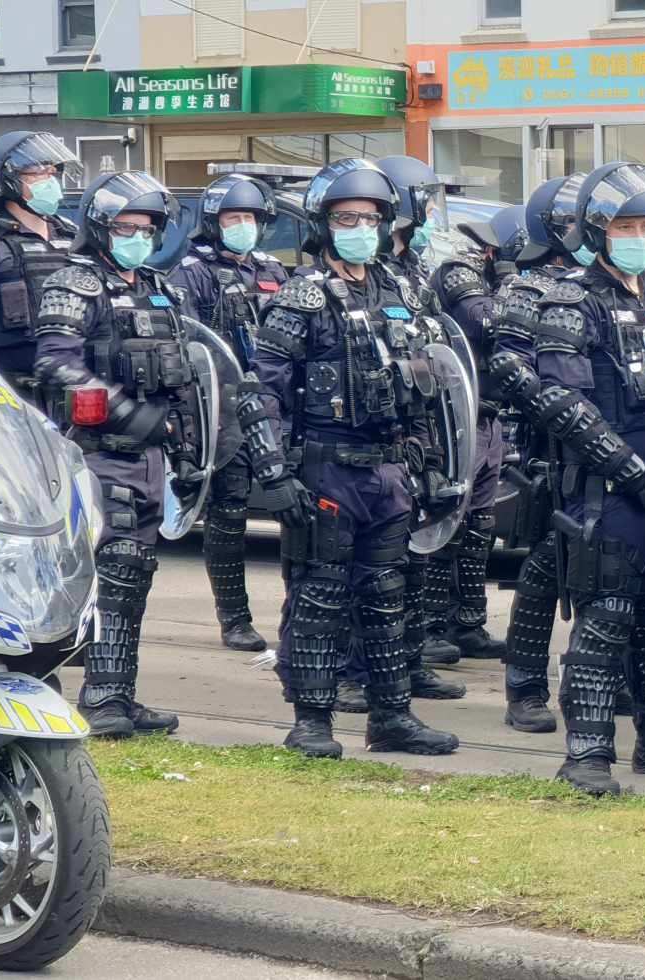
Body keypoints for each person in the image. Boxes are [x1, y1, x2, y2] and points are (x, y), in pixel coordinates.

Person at [488, 161, 645, 794]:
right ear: (598, 230)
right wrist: (628, 471)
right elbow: (560, 402)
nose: (639, 236)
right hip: (609, 494)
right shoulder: (570, 299)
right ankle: (589, 753)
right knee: (605, 620)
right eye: (626, 225)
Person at [254, 158, 463, 758]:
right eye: (346, 217)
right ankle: (312, 722)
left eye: (368, 218)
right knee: (320, 597)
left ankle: (392, 715)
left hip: (388, 473)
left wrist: (433, 469)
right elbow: (262, 389)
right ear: (324, 224)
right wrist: (275, 473)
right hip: (327, 468)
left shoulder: (402, 292)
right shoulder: (302, 296)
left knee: (387, 596)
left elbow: (434, 387)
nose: (358, 227)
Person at [32, 170, 203, 738]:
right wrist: (128, 412)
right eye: (126, 226)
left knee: (135, 577)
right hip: (97, 453)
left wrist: (188, 431)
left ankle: (117, 692)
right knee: (115, 572)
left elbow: (191, 368)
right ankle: (100, 697)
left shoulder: (160, 287)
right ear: (102, 228)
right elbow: (56, 365)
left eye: (147, 228)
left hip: (155, 456)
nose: (137, 236)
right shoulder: (76, 283)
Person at [171, 174, 290, 654]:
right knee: (229, 514)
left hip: (276, 406)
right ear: (213, 222)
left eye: (250, 218)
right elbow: (189, 345)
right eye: (232, 218)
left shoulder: (273, 270)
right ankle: (234, 618)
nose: (242, 226)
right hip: (226, 411)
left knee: (295, 511)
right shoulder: (192, 272)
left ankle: (299, 613)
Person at [365, 154, 468, 705]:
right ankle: (353, 673)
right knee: (358, 575)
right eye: (425, 200)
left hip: (412, 442)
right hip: (356, 448)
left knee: (409, 564)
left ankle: (408, 662)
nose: (432, 211)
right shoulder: (347, 283)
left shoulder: (408, 280)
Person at [492, 174, 588, 734]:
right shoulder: (527, 289)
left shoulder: (611, 287)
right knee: (547, 569)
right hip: (552, 451)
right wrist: (559, 412)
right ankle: (525, 687)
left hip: (614, 454)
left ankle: (596, 682)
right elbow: (510, 367)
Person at [422, 193, 510, 668]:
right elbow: (483, 323)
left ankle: (468, 620)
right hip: (459, 414)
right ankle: (434, 623)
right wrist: (514, 285)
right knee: (449, 518)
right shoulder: (461, 269)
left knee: (480, 523)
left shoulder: (499, 275)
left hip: (490, 413)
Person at [0, 131, 83, 395]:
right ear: (8, 178)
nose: (49, 181)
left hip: (75, 385)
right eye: (39, 173)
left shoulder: (71, 236)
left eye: (53, 173)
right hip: (8, 393)